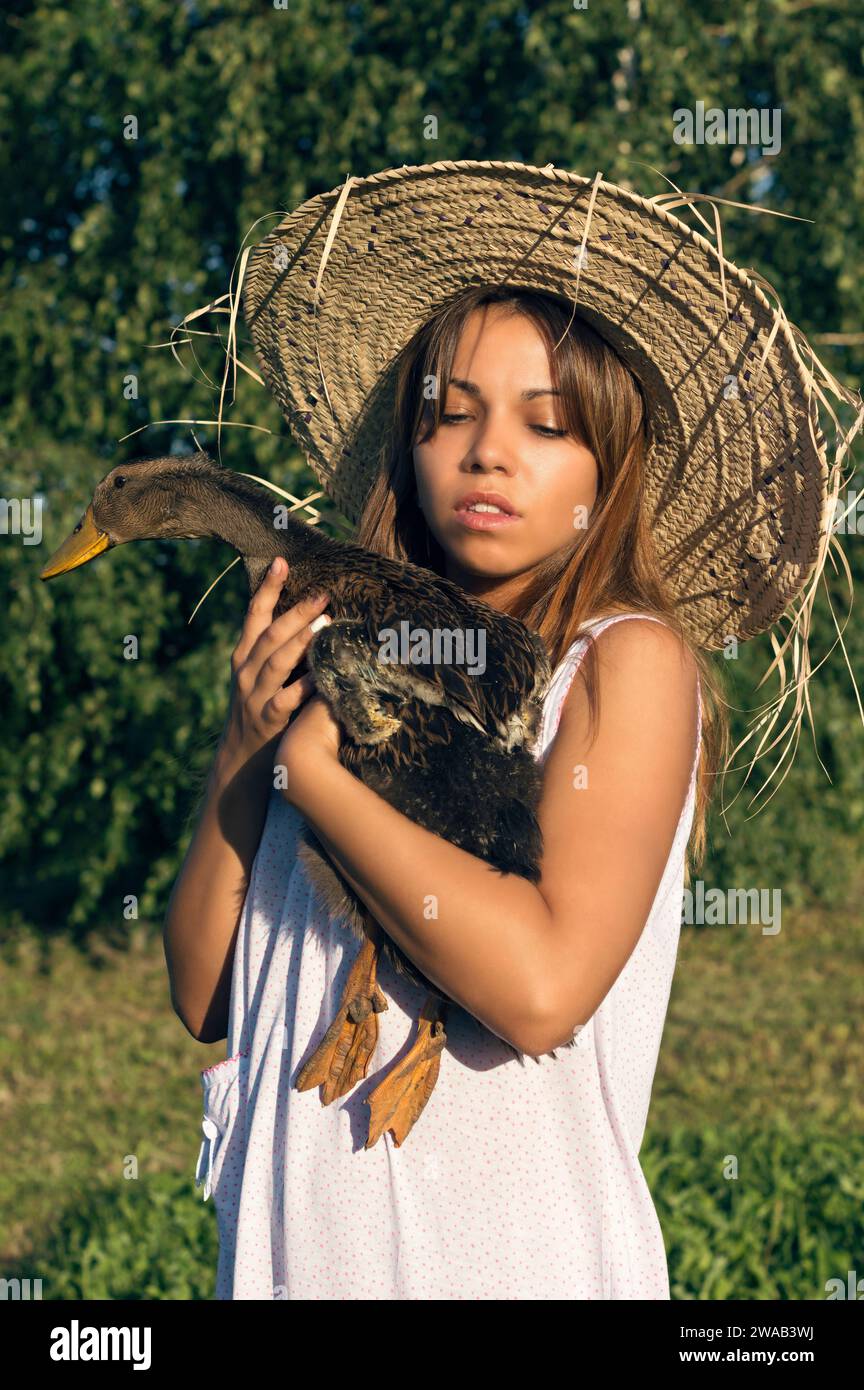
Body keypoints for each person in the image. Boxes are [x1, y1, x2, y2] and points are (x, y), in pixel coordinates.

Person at [165, 161, 861, 1299]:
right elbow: (208, 996)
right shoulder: (336, 652)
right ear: (410, 444)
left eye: (548, 425)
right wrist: (245, 753)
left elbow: (539, 987)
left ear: (612, 468)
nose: (488, 453)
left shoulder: (622, 664)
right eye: (451, 415)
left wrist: (317, 779)